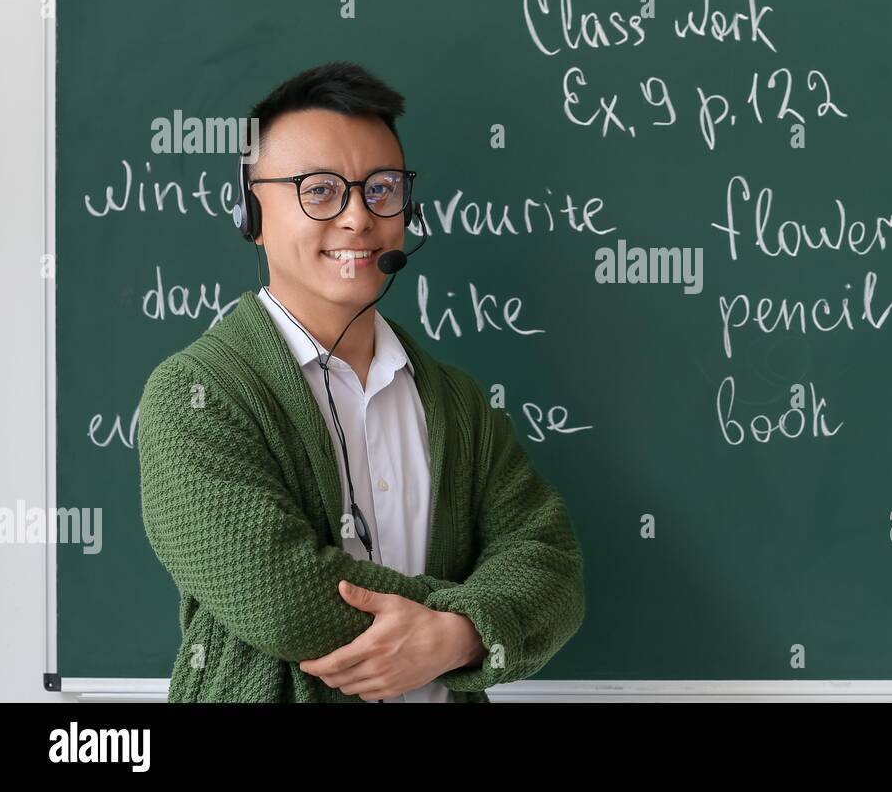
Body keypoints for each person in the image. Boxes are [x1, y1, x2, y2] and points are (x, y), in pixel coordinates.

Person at [136, 61, 585, 702]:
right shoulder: (194, 398)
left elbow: (551, 562)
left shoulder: (456, 402)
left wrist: (459, 635)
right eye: (319, 190)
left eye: (382, 188)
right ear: (251, 214)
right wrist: (470, 623)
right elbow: (283, 597)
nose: (357, 218)